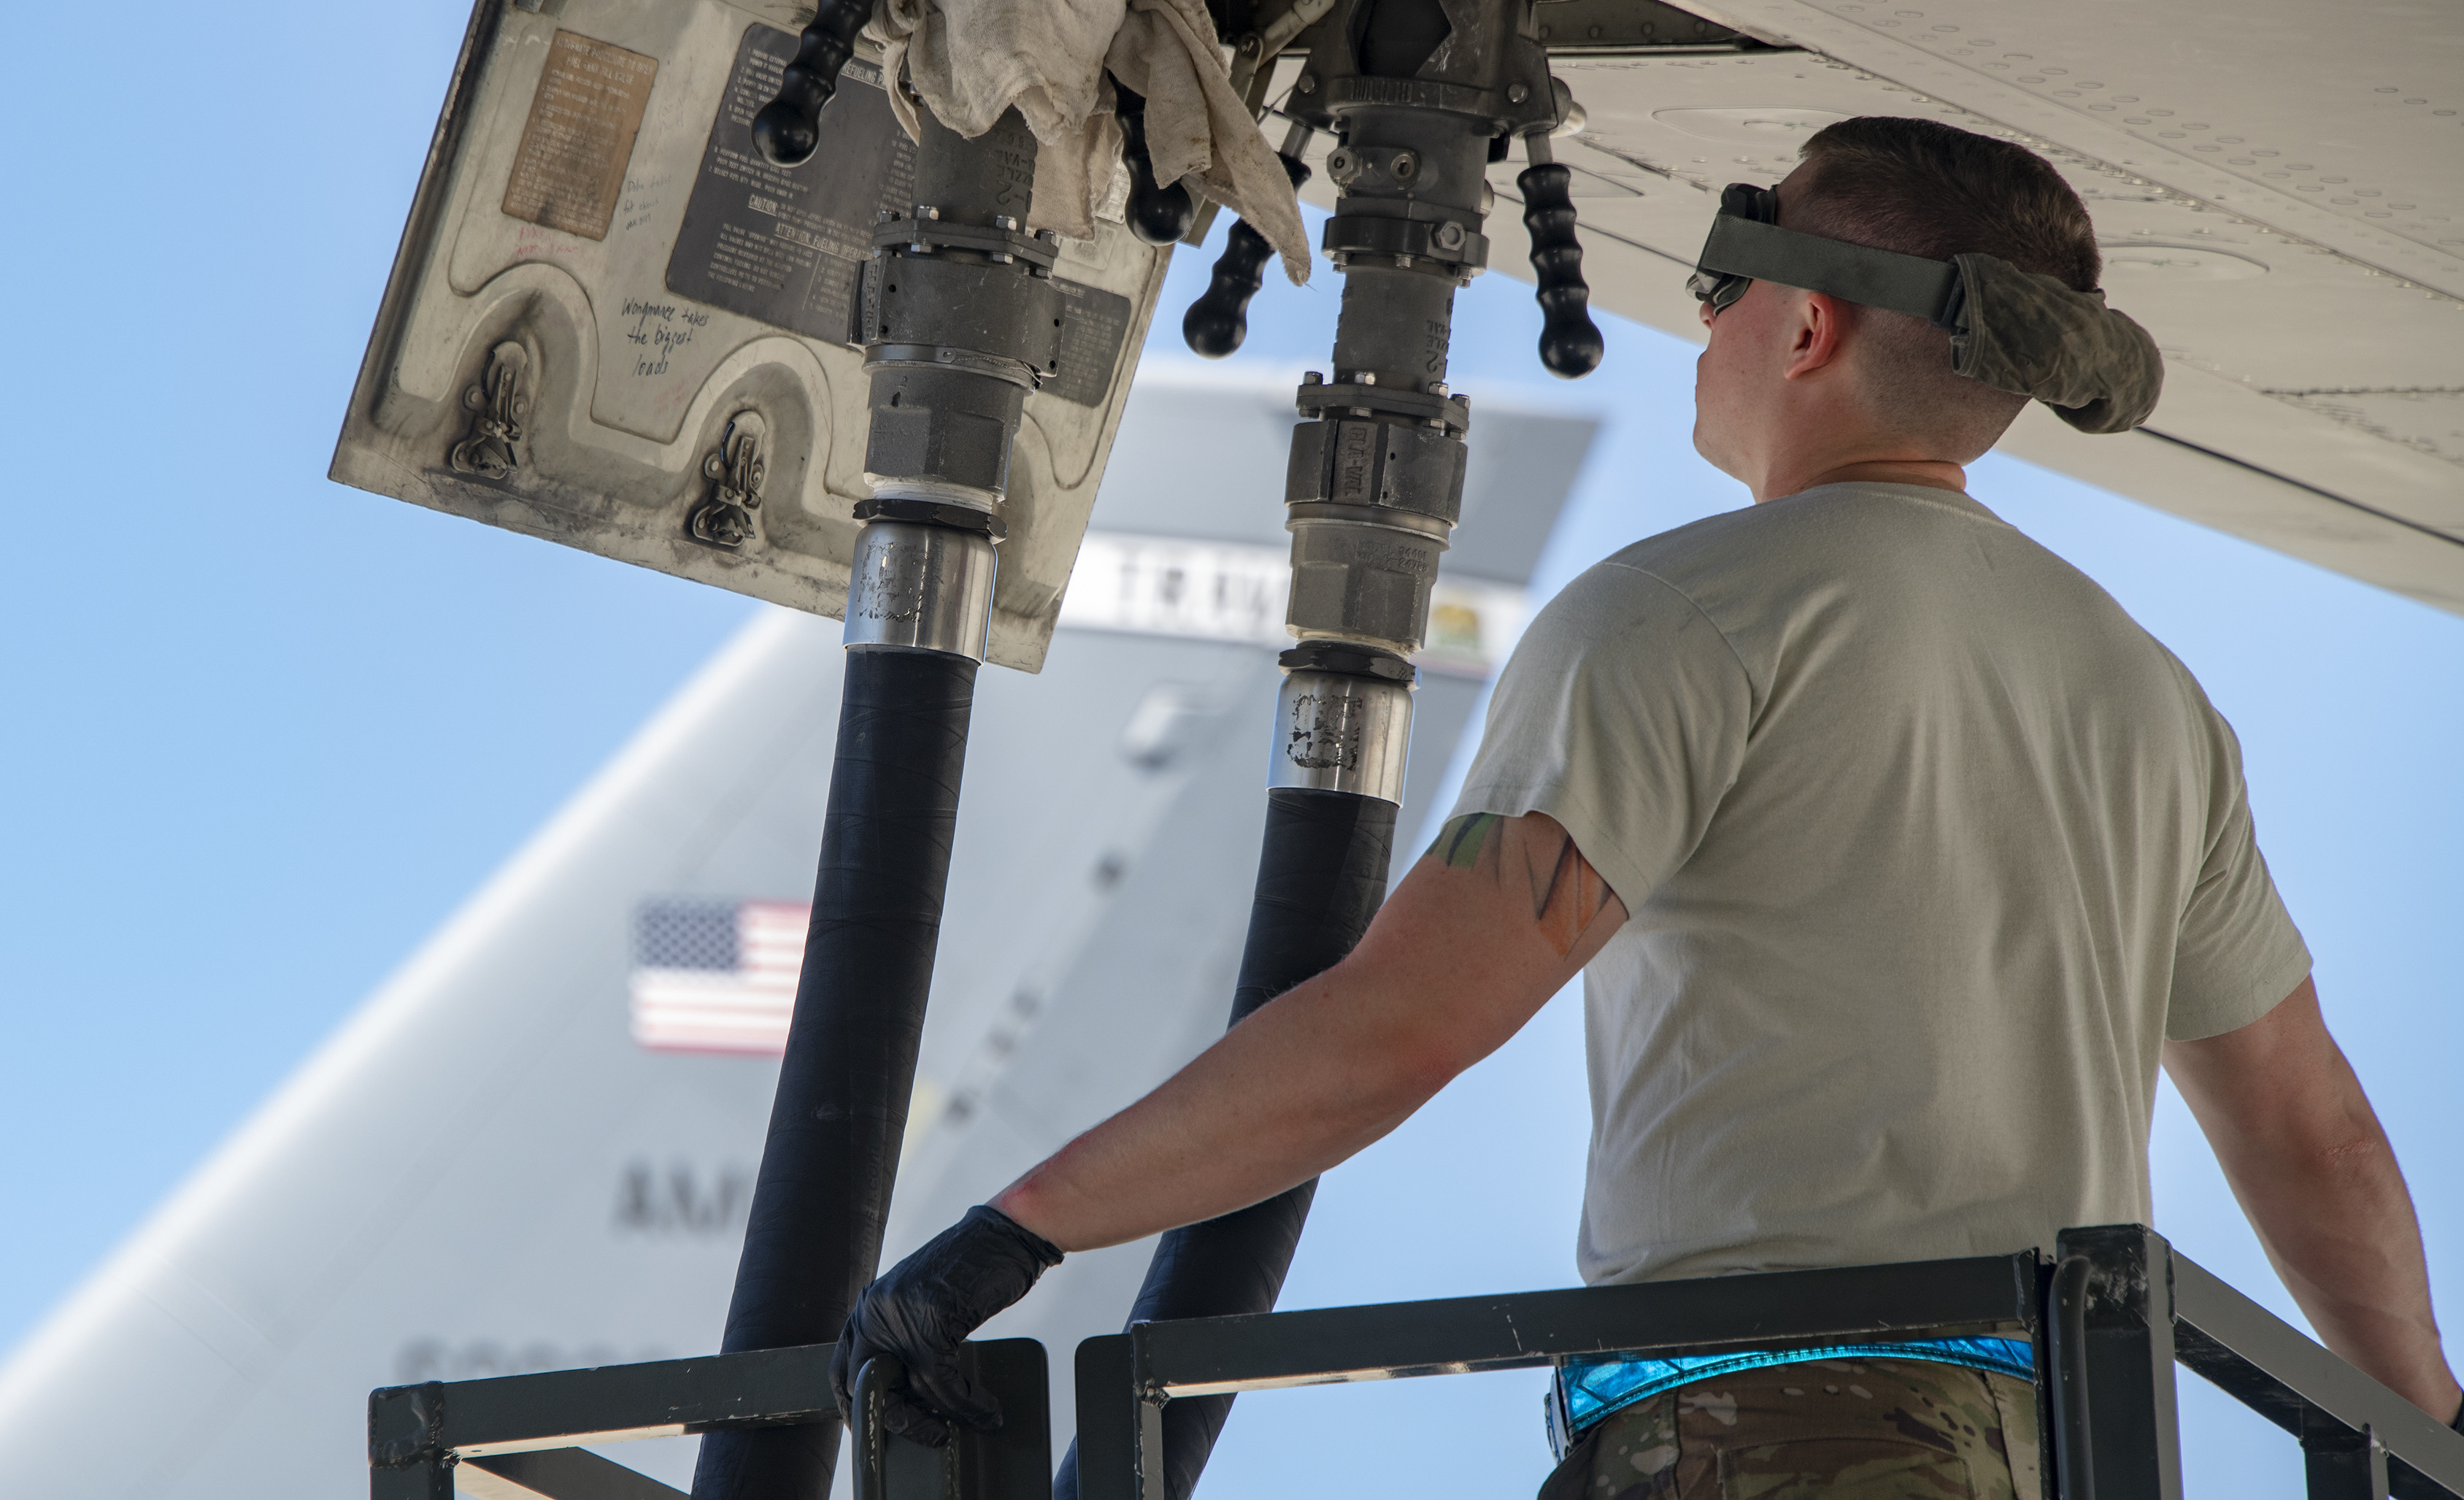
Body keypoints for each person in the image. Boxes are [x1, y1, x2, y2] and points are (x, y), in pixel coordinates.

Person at [832, 115, 2463, 1493]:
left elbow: (1403, 1029)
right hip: (2073, 1448)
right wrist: (2434, 1432)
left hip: (1784, 1434)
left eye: (1723, 283)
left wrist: (1019, 1233)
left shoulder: (1685, 617)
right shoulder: (2151, 698)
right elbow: (2313, 1136)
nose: (1708, 325)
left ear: (1809, 326)